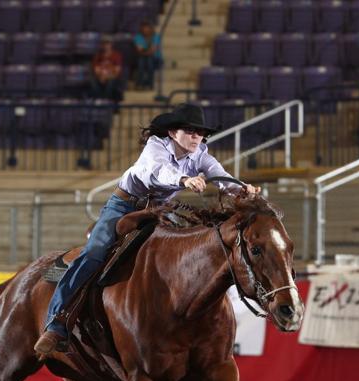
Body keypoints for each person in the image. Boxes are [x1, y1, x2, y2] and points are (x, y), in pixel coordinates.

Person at [34, 103, 260, 358]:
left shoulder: (201, 155)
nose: (197, 137)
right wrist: (184, 179)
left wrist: (243, 189)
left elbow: (220, 176)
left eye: (201, 133)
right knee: (95, 253)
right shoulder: (156, 146)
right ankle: (56, 322)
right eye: (190, 131)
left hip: (159, 211)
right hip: (124, 206)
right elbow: (158, 171)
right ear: (173, 133)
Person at [90, 37, 124, 102]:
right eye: (104, 43)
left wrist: (107, 77)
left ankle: (106, 100)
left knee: (111, 81)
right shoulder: (97, 55)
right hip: (100, 77)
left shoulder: (116, 55)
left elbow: (117, 71)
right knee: (92, 80)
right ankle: (98, 100)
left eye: (107, 43)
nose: (105, 46)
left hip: (112, 76)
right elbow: (96, 70)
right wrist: (100, 76)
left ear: (111, 44)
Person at [133, 20, 163, 91]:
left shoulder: (156, 37)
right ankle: (141, 85)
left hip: (155, 58)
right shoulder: (138, 37)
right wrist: (147, 50)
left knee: (149, 62)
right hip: (142, 57)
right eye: (144, 28)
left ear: (150, 28)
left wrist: (145, 50)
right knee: (142, 62)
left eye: (147, 28)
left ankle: (148, 85)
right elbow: (139, 50)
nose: (146, 29)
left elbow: (153, 50)